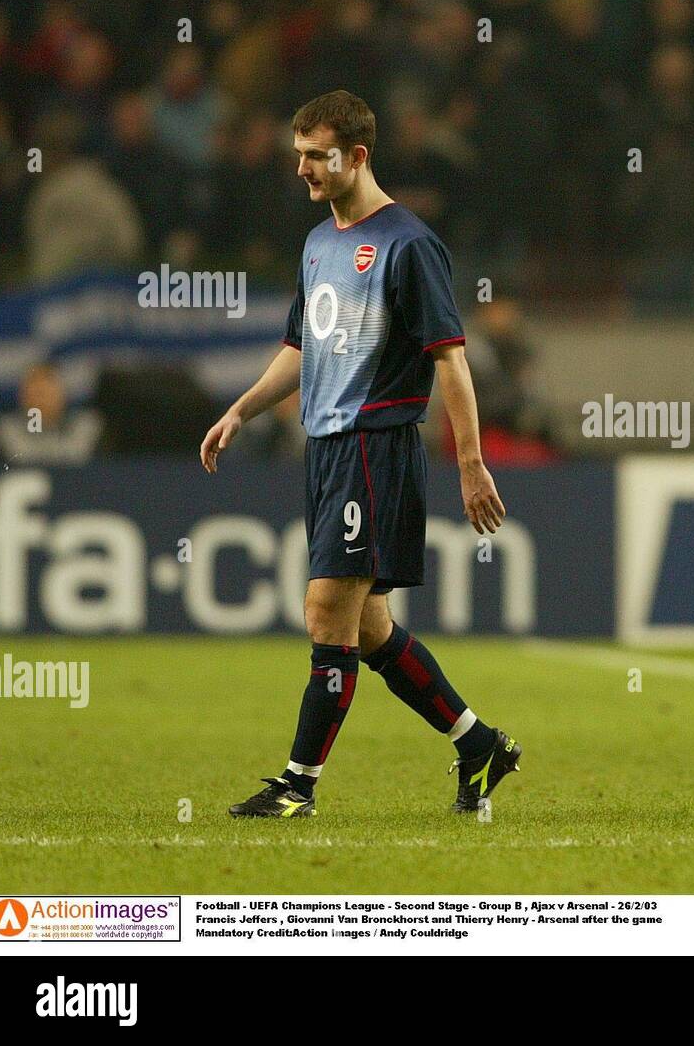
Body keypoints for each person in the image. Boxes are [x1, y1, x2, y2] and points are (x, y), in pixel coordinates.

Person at [200, 90, 521, 819]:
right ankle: (480, 746)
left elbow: (452, 360)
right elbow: (301, 347)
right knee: (369, 626)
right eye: (299, 156)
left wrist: (470, 462)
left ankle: (297, 784)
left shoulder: (408, 244)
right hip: (327, 448)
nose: (305, 170)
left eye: (317, 156)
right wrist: (242, 409)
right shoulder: (319, 243)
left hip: (375, 447)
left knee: (325, 613)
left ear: (358, 155)